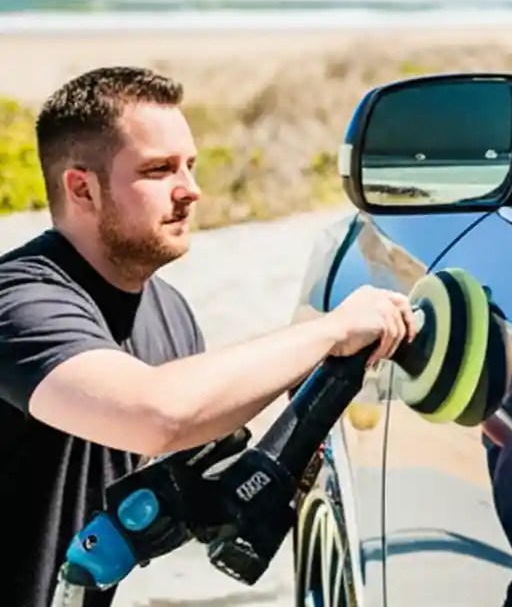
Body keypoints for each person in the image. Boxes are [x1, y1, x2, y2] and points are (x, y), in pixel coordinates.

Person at [0, 66, 417, 607]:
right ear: (82, 188)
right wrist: (330, 330)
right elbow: (153, 416)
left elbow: (202, 461)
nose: (191, 191)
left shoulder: (168, 314)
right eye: (159, 170)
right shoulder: (19, 301)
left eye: (191, 166)